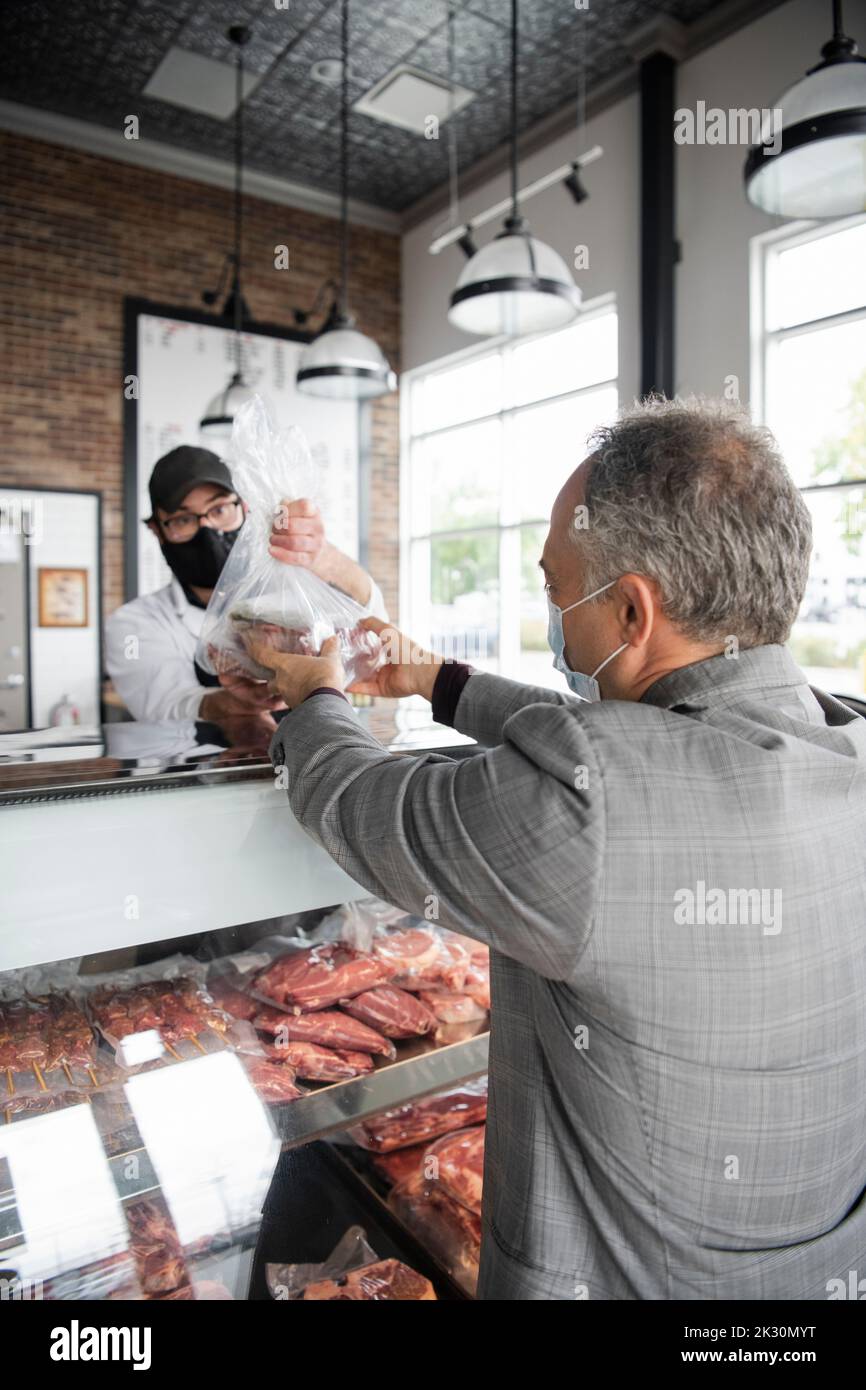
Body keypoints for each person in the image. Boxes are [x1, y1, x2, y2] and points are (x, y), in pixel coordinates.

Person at [246, 397, 866, 1301]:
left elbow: (356, 800)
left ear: (630, 610)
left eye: (555, 584)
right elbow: (626, 740)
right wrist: (436, 680)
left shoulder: (600, 802)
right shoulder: (838, 740)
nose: (551, 609)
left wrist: (310, 694)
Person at [105, 445, 386, 723]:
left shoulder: (291, 595)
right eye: (184, 519)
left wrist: (323, 556)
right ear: (158, 530)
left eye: (220, 509)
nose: (208, 529)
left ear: (244, 508)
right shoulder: (134, 623)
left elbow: (375, 631)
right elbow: (166, 704)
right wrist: (231, 703)